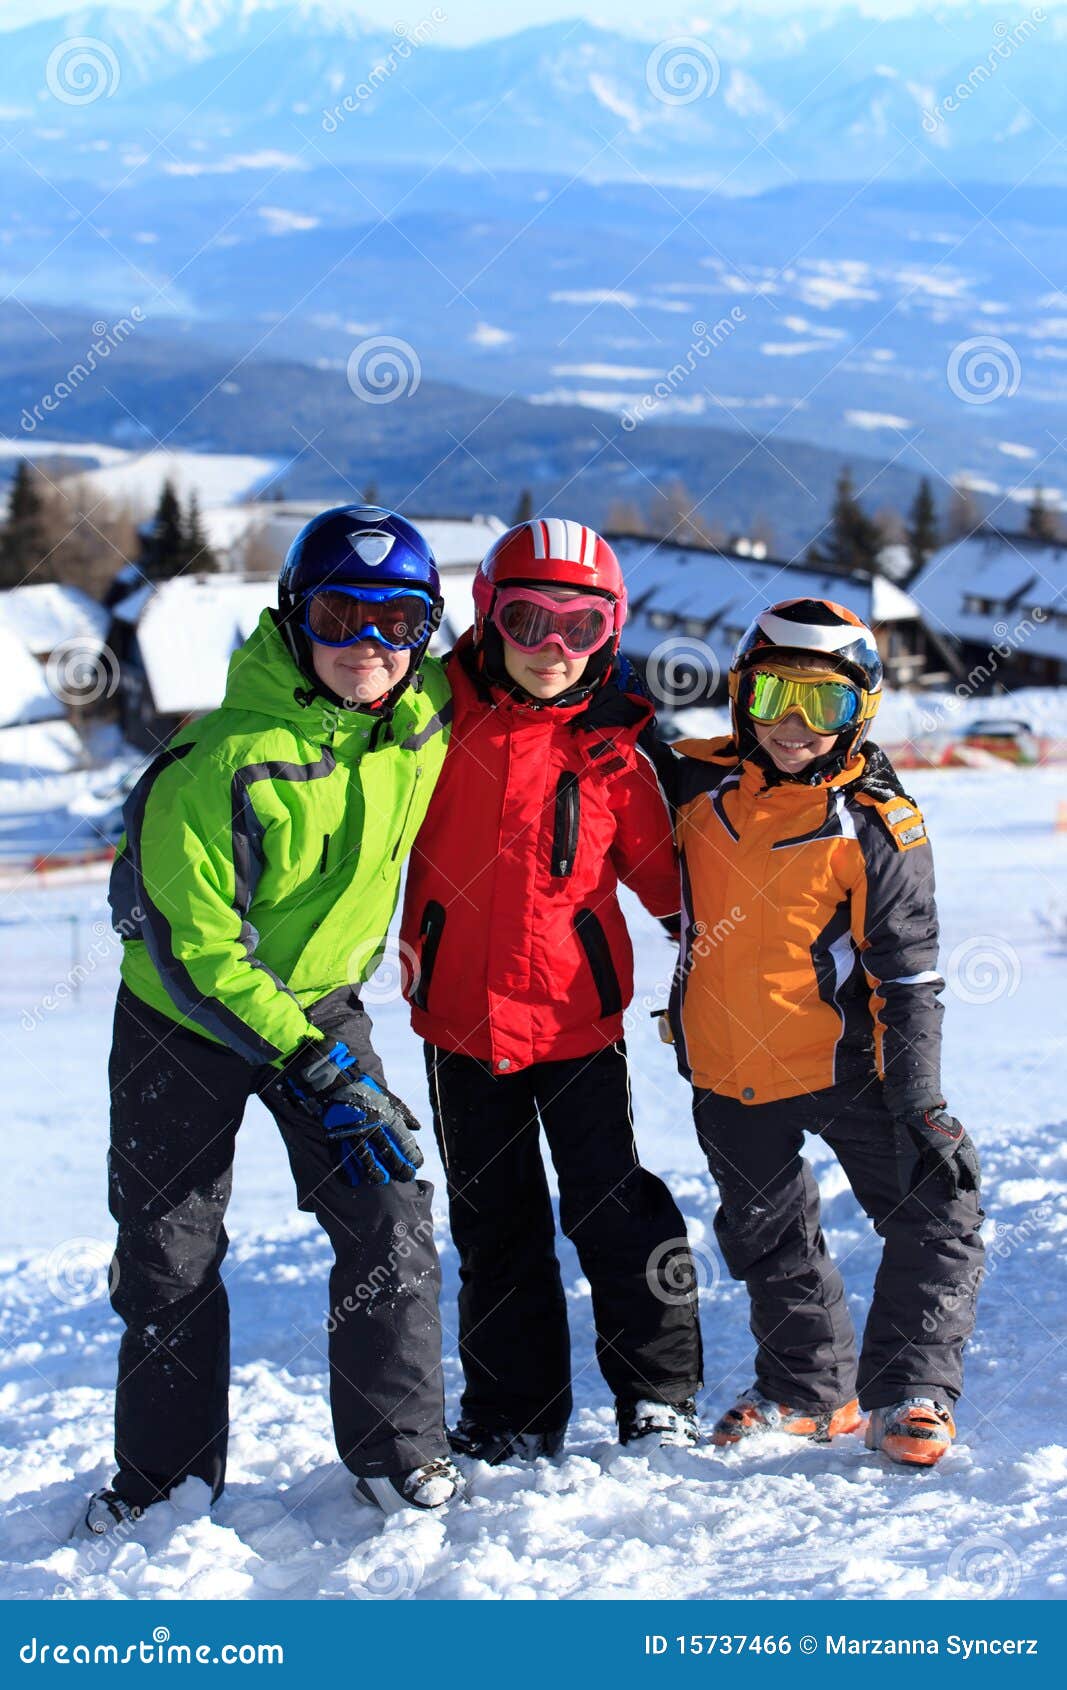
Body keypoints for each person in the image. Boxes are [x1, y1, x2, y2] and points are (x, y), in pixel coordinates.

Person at [85, 506, 461, 1535]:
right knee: (171, 1250)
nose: (368, 646)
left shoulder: (419, 713)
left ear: (427, 630)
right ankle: (163, 1482)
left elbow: (532, 668)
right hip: (187, 1018)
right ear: (293, 616)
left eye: (398, 620)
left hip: (324, 1000)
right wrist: (316, 1065)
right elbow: (200, 952)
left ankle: (398, 1454)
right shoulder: (217, 763)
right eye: (341, 614)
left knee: (388, 1213)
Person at [399, 517, 704, 1463]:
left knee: (611, 1205)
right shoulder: (429, 719)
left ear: (607, 637)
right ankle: (514, 1412)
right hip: (457, 1023)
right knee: (496, 1225)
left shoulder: (613, 753)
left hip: (577, 1025)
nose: (551, 651)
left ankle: (655, 1391)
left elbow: (676, 892)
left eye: (578, 630)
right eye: (528, 621)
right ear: (487, 618)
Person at [667, 598, 983, 1467]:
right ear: (740, 698)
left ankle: (910, 1389)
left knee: (939, 1208)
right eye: (774, 698)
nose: (794, 727)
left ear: (861, 714)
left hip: (847, 1065)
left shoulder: (875, 823)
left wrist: (919, 1096)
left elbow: (908, 971)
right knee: (768, 1236)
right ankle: (808, 1394)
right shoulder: (694, 786)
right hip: (727, 1068)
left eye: (824, 706)